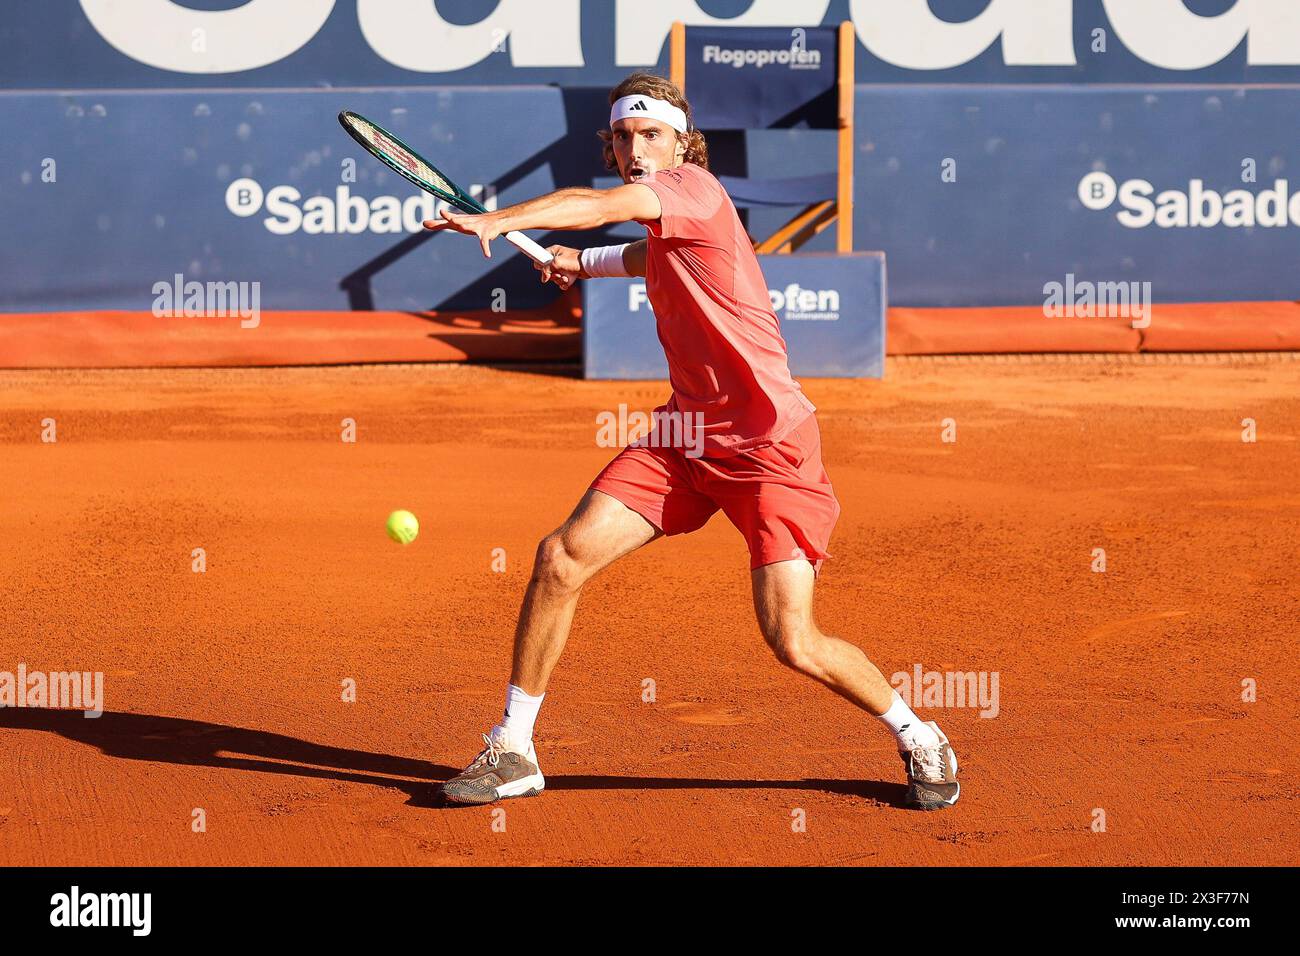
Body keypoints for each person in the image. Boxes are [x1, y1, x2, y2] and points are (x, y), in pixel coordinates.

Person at [423, 72, 959, 810]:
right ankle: (513, 748)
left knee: (792, 640)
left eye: (650, 135)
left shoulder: (694, 188)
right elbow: (648, 255)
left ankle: (917, 732)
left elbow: (598, 207)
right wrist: (579, 263)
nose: (635, 149)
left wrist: (498, 219)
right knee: (560, 557)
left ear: (682, 142)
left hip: (770, 446)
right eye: (622, 137)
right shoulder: (669, 221)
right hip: (685, 435)